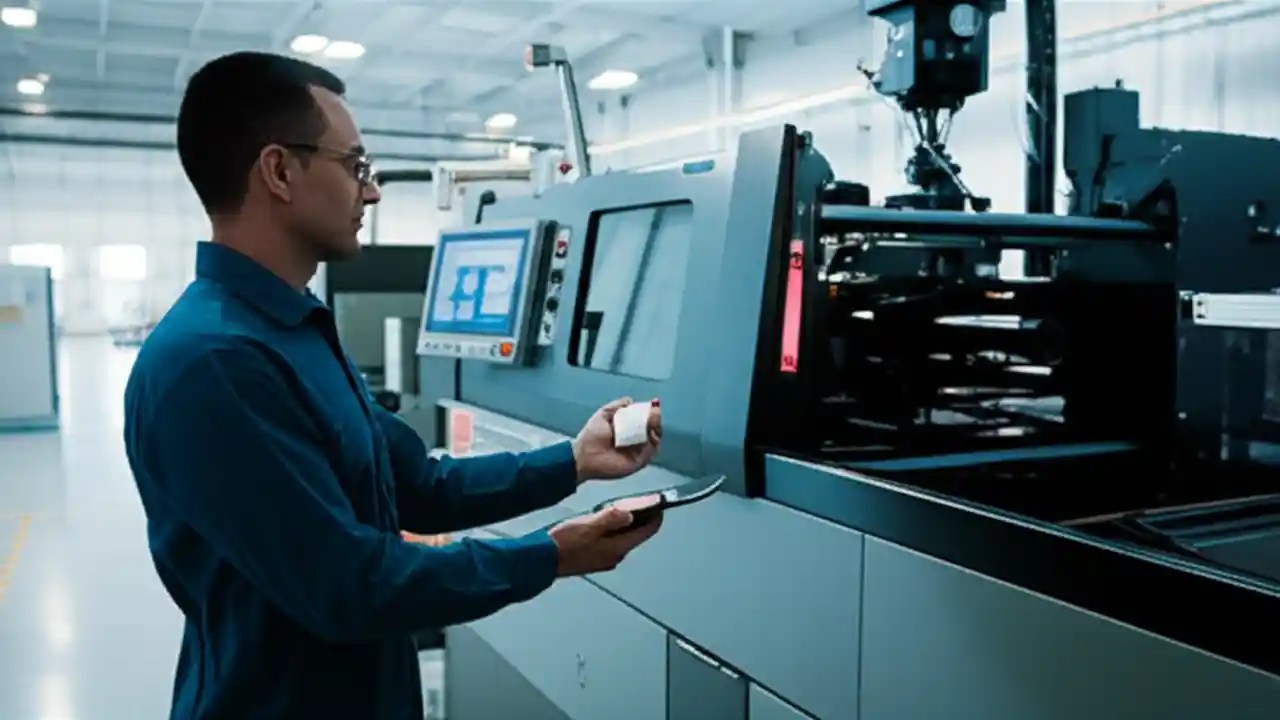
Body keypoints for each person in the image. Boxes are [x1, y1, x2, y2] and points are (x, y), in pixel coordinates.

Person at [122, 51, 664, 720]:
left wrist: (574, 462)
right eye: (355, 167)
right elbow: (349, 588)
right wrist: (548, 556)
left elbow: (414, 486)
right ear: (279, 171)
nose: (372, 191)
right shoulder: (213, 363)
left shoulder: (293, 328)